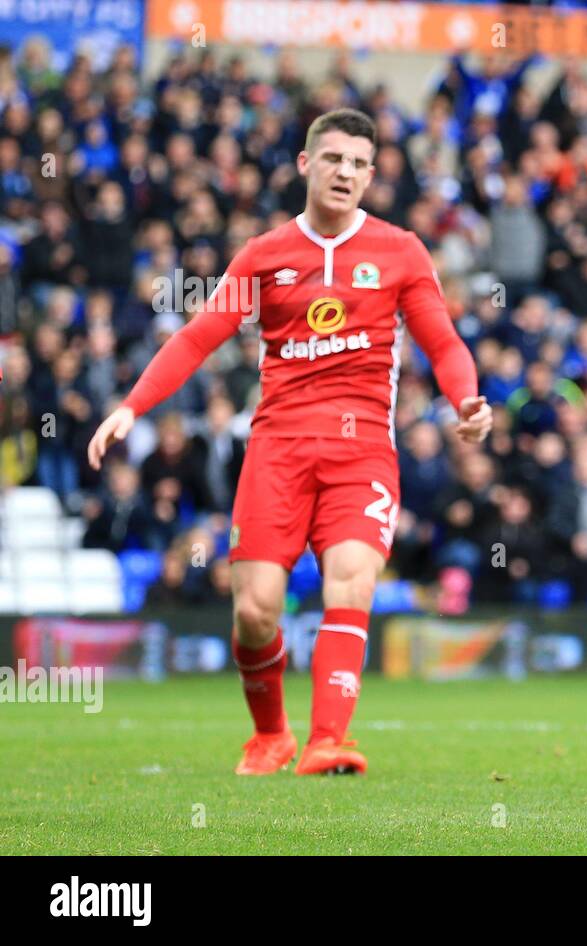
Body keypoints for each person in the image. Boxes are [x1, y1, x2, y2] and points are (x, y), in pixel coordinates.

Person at [87, 109, 492, 777]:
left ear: (371, 174)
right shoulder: (264, 254)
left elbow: (443, 342)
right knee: (255, 610)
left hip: (362, 448)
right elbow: (196, 338)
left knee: (351, 584)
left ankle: (330, 738)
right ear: (306, 165)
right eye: (333, 159)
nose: (347, 173)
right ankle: (270, 734)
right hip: (277, 447)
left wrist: (465, 399)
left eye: (360, 164)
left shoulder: (401, 250)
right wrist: (132, 407)